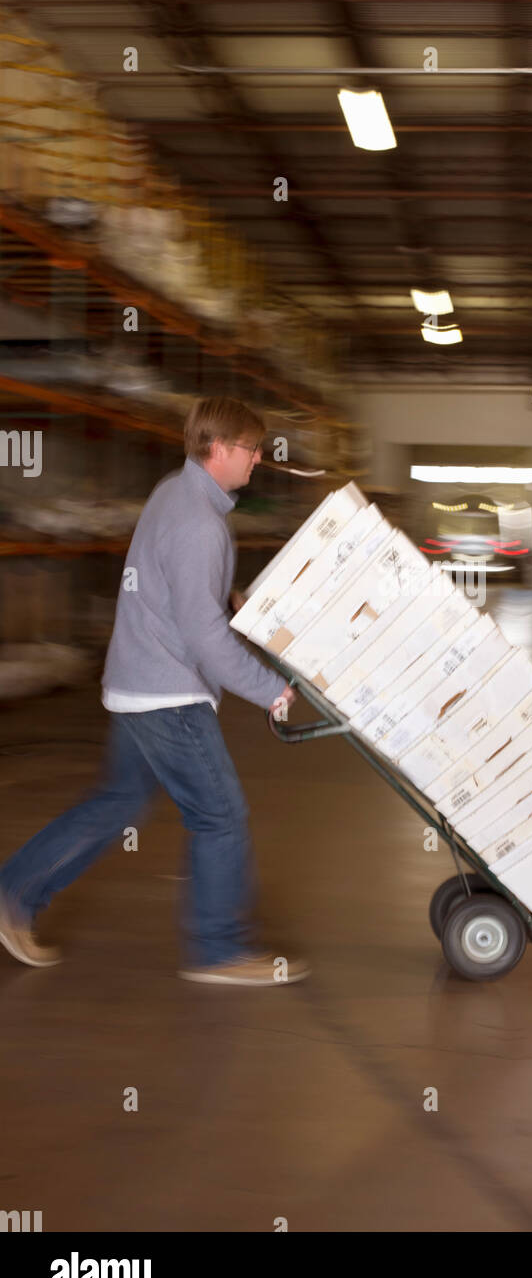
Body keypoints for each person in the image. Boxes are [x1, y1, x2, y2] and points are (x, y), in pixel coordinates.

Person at [0, 396, 309, 988]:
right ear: (218, 450)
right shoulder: (201, 523)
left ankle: (13, 893)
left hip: (137, 680)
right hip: (168, 693)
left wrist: (230, 599)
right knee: (219, 816)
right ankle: (219, 950)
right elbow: (204, 636)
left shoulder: (176, 492)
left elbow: (181, 593)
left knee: (116, 803)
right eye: (251, 449)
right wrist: (271, 688)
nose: (258, 461)